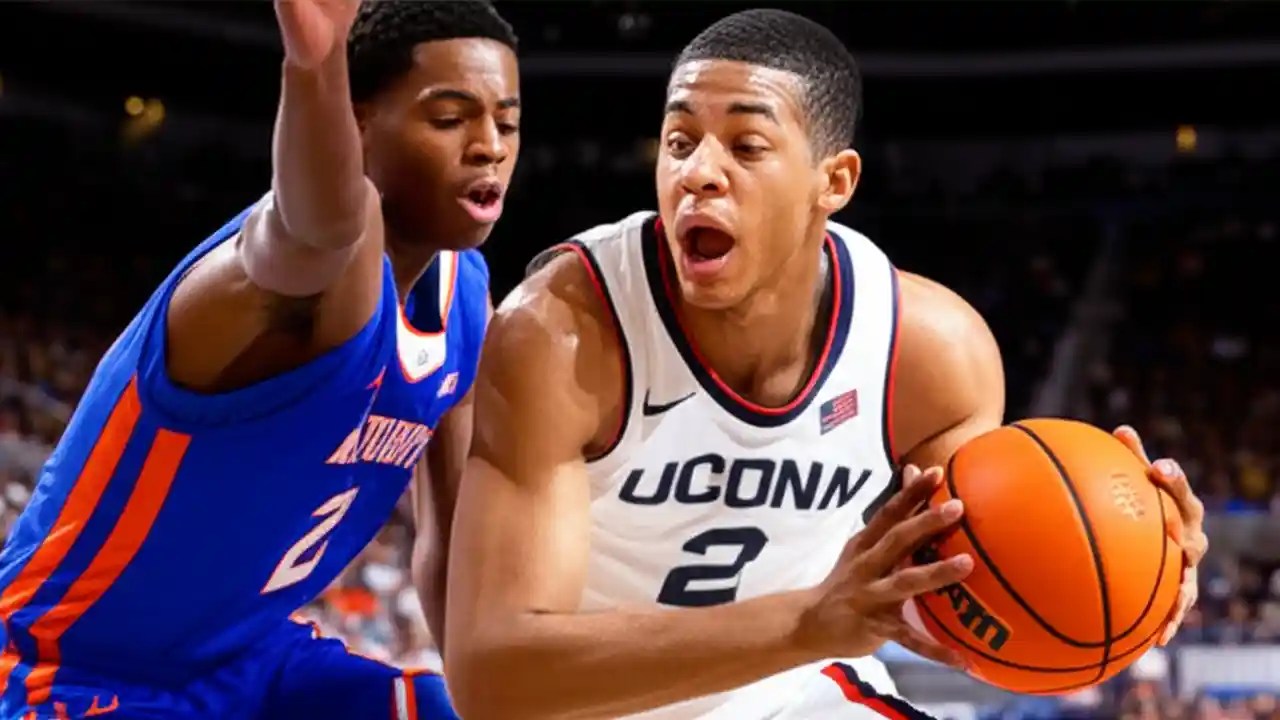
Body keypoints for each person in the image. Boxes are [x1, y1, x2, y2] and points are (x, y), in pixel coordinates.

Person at [442, 9, 1207, 720]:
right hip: (588, 703)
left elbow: (956, 607)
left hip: (798, 696)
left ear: (833, 182)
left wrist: (1134, 575)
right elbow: (494, 678)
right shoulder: (562, 332)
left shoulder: (931, 354)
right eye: (679, 142)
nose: (698, 172)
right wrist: (807, 624)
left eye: (746, 146)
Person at [0, 0, 519, 717]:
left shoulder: (467, 302)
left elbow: (458, 560)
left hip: (250, 663)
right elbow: (315, 231)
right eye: (450, 118)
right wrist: (315, 69)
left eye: (507, 122)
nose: (490, 145)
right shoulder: (284, 272)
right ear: (358, 122)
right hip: (73, 668)